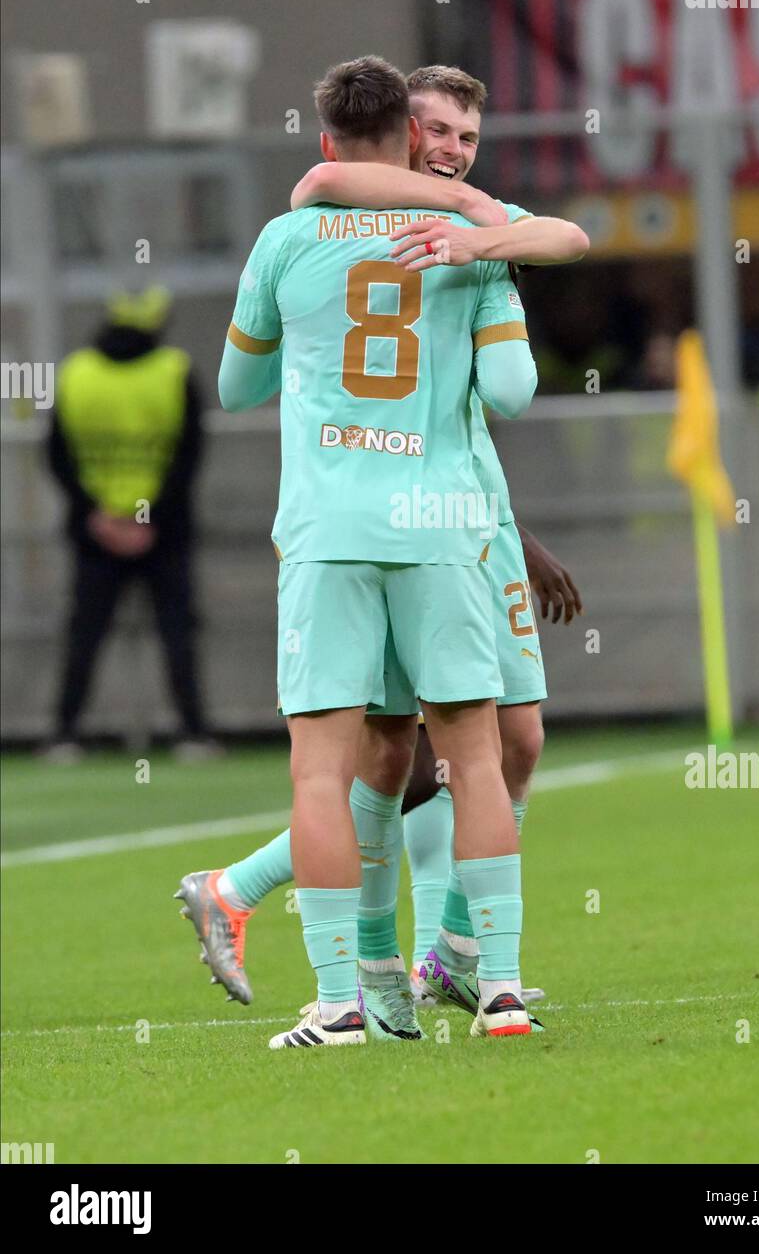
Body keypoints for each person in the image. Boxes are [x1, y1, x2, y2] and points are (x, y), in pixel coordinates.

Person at [176, 65, 586, 1026]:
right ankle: (447, 982)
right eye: (435, 131)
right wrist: (480, 255)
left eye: (466, 139)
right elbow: (516, 389)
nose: (449, 150)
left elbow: (237, 388)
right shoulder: (468, 250)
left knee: (350, 763)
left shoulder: (294, 239)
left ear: (327, 135)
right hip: (444, 529)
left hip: (333, 530)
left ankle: (352, 993)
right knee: (449, 755)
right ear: (402, 132)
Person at [46, 287, 213, 761]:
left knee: (85, 633)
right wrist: (149, 519)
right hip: (163, 531)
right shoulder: (174, 370)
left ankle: (63, 736)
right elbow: (189, 455)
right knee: (177, 631)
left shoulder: (76, 372)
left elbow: (57, 454)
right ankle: (194, 734)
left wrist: (95, 514)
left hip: (95, 530)